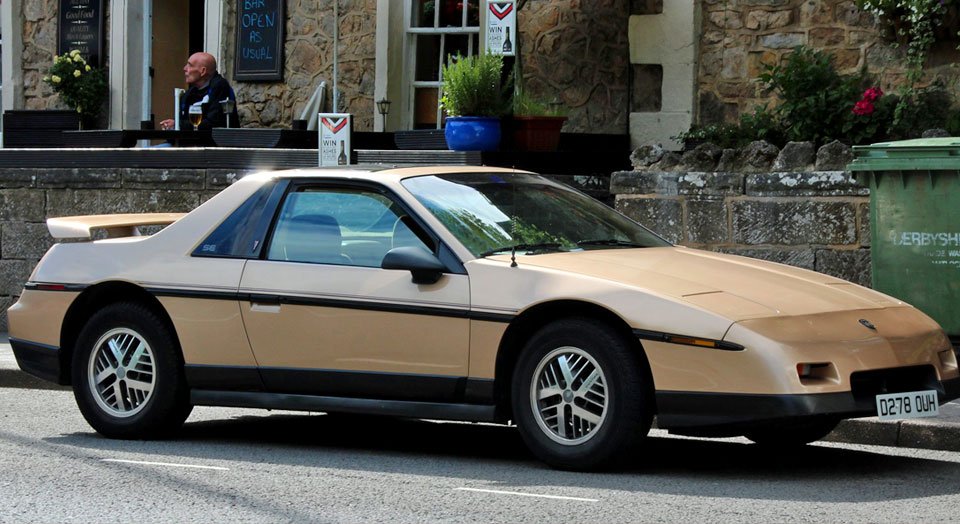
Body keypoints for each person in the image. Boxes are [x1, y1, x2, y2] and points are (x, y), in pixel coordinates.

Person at [159, 52, 240, 130]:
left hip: (211, 143)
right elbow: (182, 121)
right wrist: (173, 126)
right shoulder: (189, 93)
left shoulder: (220, 87)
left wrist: (178, 125)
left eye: (190, 65)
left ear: (203, 71)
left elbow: (213, 124)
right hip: (187, 141)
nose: (184, 69)